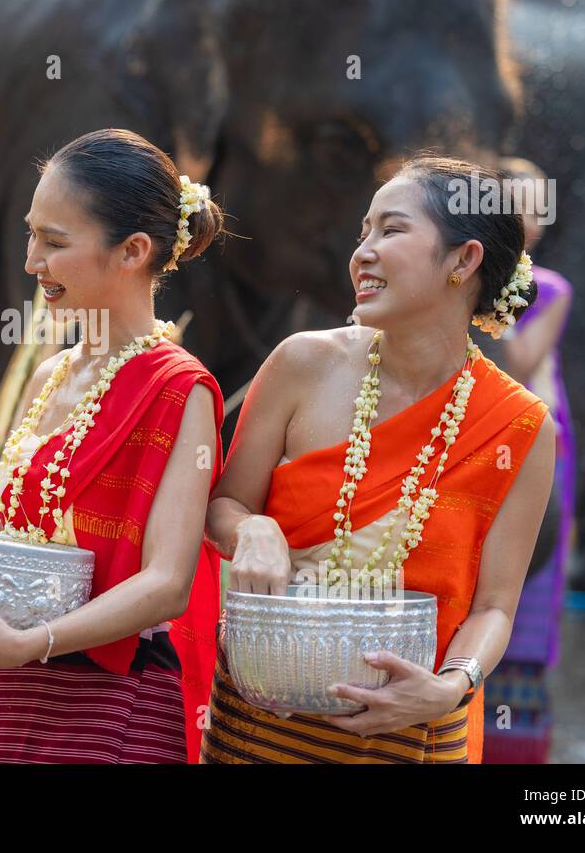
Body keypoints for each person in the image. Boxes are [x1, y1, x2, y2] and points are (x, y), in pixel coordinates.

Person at [201, 155, 556, 764]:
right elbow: (224, 505)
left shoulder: (518, 424)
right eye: (363, 231)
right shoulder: (301, 364)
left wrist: (451, 686)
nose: (362, 252)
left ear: (464, 260)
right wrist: (253, 528)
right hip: (258, 727)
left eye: (390, 231)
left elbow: (496, 605)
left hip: (410, 734)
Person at [0, 128, 227, 763]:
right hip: (4, 692)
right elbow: (3, 556)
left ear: (132, 250)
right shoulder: (51, 377)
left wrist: (30, 643)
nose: (30, 261)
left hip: (111, 712)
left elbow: (167, 583)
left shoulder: (181, 390)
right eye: (31, 235)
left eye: (54, 242)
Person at [484, 157, 575, 763]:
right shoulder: (453, 272)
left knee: (529, 585)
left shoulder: (551, 288)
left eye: (536, 206)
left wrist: (494, 288)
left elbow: (517, 360)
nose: (530, 218)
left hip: (538, 443)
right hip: (476, 441)